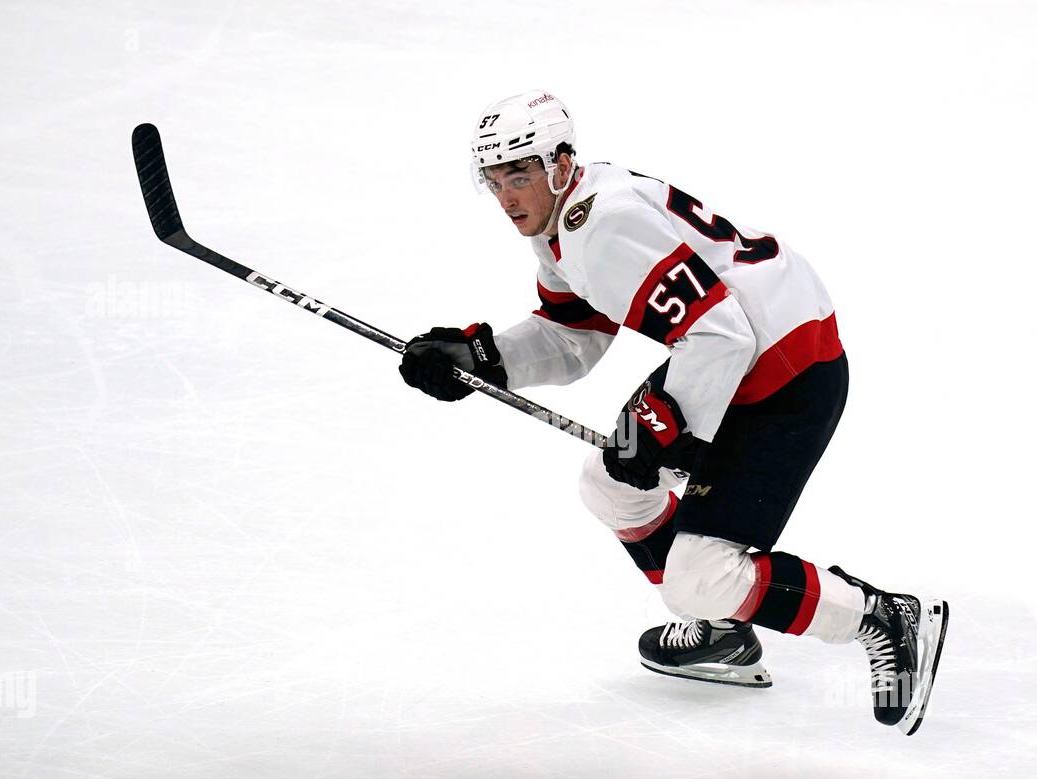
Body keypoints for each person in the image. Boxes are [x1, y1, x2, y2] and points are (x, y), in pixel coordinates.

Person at [399, 90, 948, 734]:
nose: (507, 196)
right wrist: (483, 355)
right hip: (732, 360)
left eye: (519, 176)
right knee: (610, 485)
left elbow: (722, 334)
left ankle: (881, 617)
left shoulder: (602, 224)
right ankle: (719, 633)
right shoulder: (565, 222)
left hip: (785, 378)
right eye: (494, 181)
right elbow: (574, 335)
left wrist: (664, 426)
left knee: (701, 574)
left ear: (560, 162)